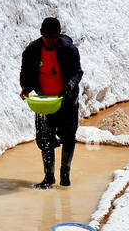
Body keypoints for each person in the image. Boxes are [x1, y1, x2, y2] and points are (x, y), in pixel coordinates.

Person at [19, 17, 83, 189]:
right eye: (47, 37)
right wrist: (25, 88)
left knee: (68, 137)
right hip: (45, 101)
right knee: (45, 139)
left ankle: (65, 174)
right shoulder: (32, 50)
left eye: (53, 37)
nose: (50, 40)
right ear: (41, 35)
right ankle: (48, 177)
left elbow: (78, 73)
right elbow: (25, 72)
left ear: (58, 36)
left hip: (66, 100)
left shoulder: (69, 50)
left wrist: (69, 86)